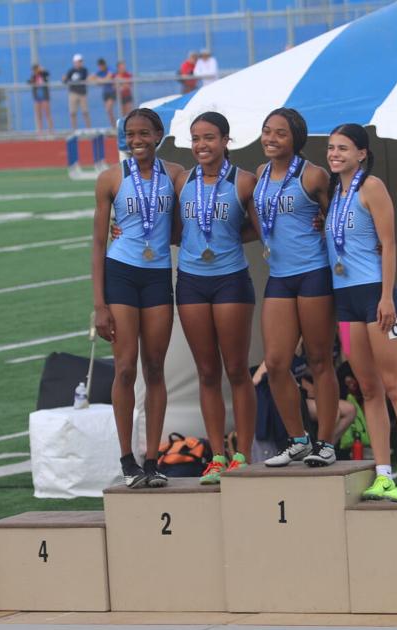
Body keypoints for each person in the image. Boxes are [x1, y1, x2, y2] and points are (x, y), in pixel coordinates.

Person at [323, 122, 397, 500]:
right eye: (331, 148)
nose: (335, 154)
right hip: (346, 301)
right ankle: (383, 473)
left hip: (376, 298)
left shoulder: (371, 187)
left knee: (394, 386)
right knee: (368, 390)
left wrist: (387, 296)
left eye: (343, 148)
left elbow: (389, 244)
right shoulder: (334, 194)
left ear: (362, 153)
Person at [92, 108, 183, 488]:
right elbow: (98, 242)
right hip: (122, 275)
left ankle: (153, 458)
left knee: (156, 367)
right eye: (130, 134)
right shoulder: (110, 178)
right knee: (126, 366)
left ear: (159, 134)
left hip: (158, 275)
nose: (137, 140)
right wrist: (99, 303)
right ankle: (127, 458)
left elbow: (186, 225)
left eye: (144, 133)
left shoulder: (176, 174)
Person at [247, 108, 341, 469]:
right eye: (266, 131)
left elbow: (339, 215)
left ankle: (327, 442)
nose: (270, 138)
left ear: (295, 140)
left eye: (279, 133)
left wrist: (324, 224)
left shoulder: (314, 175)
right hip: (280, 276)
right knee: (275, 362)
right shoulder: (260, 174)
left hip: (314, 274)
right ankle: (299, 440)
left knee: (319, 360)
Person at [173, 111, 258, 484]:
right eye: (195, 139)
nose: (201, 145)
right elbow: (170, 227)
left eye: (209, 137)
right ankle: (217, 456)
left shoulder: (244, 182)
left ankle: (243, 453)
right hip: (191, 280)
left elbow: (260, 228)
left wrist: (224, 244)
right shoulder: (181, 182)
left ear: (226, 140)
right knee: (206, 372)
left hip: (230, 281)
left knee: (236, 369)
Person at [64, 53, 91, 130]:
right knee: (73, 112)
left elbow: (86, 78)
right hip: (73, 93)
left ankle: (88, 129)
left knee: (85, 112)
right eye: (77, 61)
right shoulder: (71, 71)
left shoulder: (84, 70)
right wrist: (64, 78)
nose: (79, 63)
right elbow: (65, 80)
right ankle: (74, 129)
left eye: (80, 61)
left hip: (82, 94)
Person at [28, 63, 52, 134]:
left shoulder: (43, 74)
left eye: (36, 69)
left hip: (44, 96)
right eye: (34, 69)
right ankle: (40, 130)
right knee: (38, 115)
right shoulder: (33, 76)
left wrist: (42, 70)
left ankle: (50, 130)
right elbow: (29, 82)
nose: (35, 71)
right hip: (37, 97)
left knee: (47, 113)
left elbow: (47, 75)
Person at [94, 58, 117, 127]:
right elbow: (91, 78)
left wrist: (99, 80)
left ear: (104, 65)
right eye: (99, 67)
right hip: (105, 93)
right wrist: (100, 80)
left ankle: (115, 125)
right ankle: (113, 126)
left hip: (112, 92)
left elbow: (108, 78)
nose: (100, 68)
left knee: (109, 108)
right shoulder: (100, 71)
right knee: (109, 111)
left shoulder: (110, 69)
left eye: (101, 66)